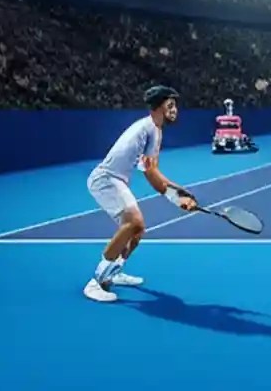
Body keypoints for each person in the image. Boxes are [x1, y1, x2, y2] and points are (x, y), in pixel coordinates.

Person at [82, 86, 197, 303]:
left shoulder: (154, 130)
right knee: (134, 222)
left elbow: (150, 170)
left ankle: (114, 270)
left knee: (138, 231)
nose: (175, 110)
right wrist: (178, 197)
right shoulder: (149, 128)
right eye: (170, 105)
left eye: (175, 106)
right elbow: (152, 175)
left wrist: (179, 193)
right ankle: (96, 281)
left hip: (116, 180)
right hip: (105, 180)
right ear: (157, 107)